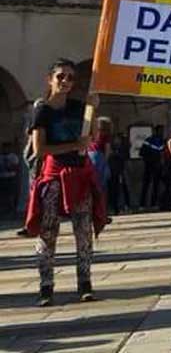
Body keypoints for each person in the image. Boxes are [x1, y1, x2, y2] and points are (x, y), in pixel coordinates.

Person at [26, 59, 107, 306]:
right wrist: (73, 145)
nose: (65, 81)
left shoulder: (78, 107)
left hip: (80, 174)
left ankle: (85, 283)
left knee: (83, 232)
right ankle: (46, 286)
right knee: (48, 232)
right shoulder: (42, 111)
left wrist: (93, 109)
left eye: (70, 77)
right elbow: (40, 149)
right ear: (50, 79)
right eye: (60, 76)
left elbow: (91, 136)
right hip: (54, 176)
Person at [138, 125, 166, 211]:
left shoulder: (156, 141)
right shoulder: (153, 141)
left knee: (152, 185)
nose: (162, 133)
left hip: (153, 166)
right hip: (152, 165)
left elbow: (141, 153)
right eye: (161, 131)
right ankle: (147, 204)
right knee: (150, 185)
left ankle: (147, 204)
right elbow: (142, 153)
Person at [106, 131, 131, 215]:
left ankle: (122, 206)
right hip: (113, 171)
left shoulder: (122, 149)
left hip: (119, 171)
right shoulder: (113, 148)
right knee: (113, 190)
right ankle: (114, 207)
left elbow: (124, 157)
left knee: (121, 189)